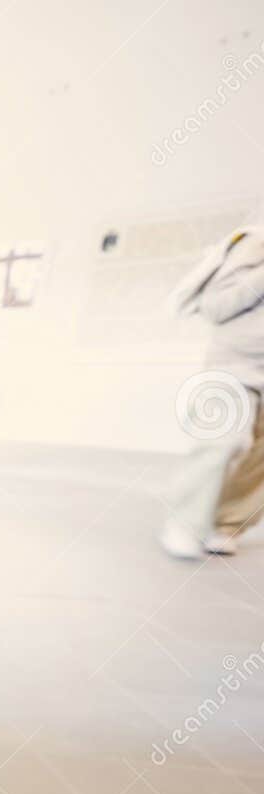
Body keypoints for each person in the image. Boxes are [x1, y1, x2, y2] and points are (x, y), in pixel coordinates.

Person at [161, 219, 264, 558]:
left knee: (260, 459)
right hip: (237, 366)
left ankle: (227, 525)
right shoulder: (253, 243)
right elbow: (216, 306)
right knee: (222, 440)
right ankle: (185, 523)